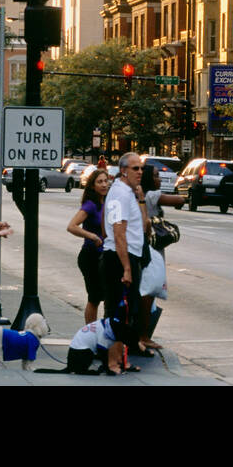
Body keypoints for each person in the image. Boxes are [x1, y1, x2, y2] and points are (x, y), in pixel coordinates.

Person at [101, 152, 145, 374]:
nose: (140, 172)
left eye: (141, 168)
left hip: (126, 256)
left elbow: (141, 225)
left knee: (125, 314)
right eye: (135, 168)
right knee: (116, 313)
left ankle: (120, 359)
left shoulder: (127, 193)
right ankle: (111, 362)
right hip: (118, 259)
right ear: (123, 170)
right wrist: (127, 268)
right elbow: (119, 233)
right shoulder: (119, 194)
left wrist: (141, 197)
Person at [137, 163, 185, 354]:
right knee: (149, 292)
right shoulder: (151, 195)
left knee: (147, 291)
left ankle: (143, 335)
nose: (160, 179)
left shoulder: (141, 195)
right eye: (156, 176)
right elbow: (180, 199)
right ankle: (144, 336)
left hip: (144, 248)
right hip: (152, 250)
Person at [65, 168, 110, 324]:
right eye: (100, 182)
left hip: (105, 256)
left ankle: (105, 332)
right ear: (92, 186)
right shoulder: (91, 205)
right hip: (90, 256)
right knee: (95, 297)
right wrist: (91, 236)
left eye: (106, 181)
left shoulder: (107, 202)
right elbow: (72, 226)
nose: (104, 185)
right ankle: (90, 332)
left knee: (108, 296)